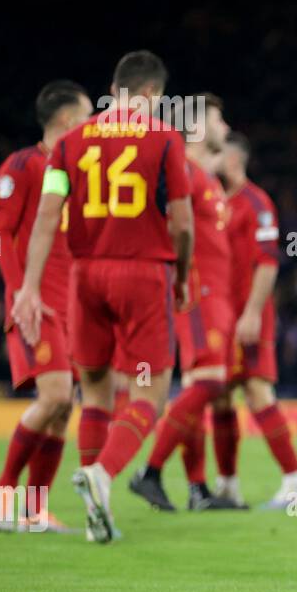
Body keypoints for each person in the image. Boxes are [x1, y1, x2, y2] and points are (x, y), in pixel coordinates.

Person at [13, 50, 194, 543]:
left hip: (84, 277)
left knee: (93, 390)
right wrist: (181, 276)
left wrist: (28, 286)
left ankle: (96, 512)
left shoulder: (70, 142)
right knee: (149, 394)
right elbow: (181, 222)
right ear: (153, 95)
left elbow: (47, 215)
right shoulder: (164, 138)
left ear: (113, 91)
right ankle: (103, 475)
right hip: (142, 273)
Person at [0, 80, 93, 533]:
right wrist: (20, 293)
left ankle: (34, 510)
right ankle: (2, 492)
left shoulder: (78, 169)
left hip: (71, 306)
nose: (93, 125)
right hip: (38, 303)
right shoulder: (24, 164)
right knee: (53, 396)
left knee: (64, 408)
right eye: (88, 116)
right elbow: (1, 235)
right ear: (67, 120)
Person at [130, 92, 243, 511]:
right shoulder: (183, 174)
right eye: (219, 120)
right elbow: (164, 223)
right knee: (211, 383)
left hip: (216, 297)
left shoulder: (204, 177)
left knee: (201, 388)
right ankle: (150, 471)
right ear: (197, 126)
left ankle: (197, 490)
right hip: (198, 295)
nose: (225, 128)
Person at [210, 129, 297, 510]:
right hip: (220, 318)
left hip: (248, 316)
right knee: (220, 398)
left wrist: (253, 312)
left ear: (234, 160)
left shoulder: (257, 203)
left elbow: (268, 263)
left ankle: (296, 480)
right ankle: (227, 485)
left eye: (216, 154)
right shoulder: (217, 202)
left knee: (257, 393)